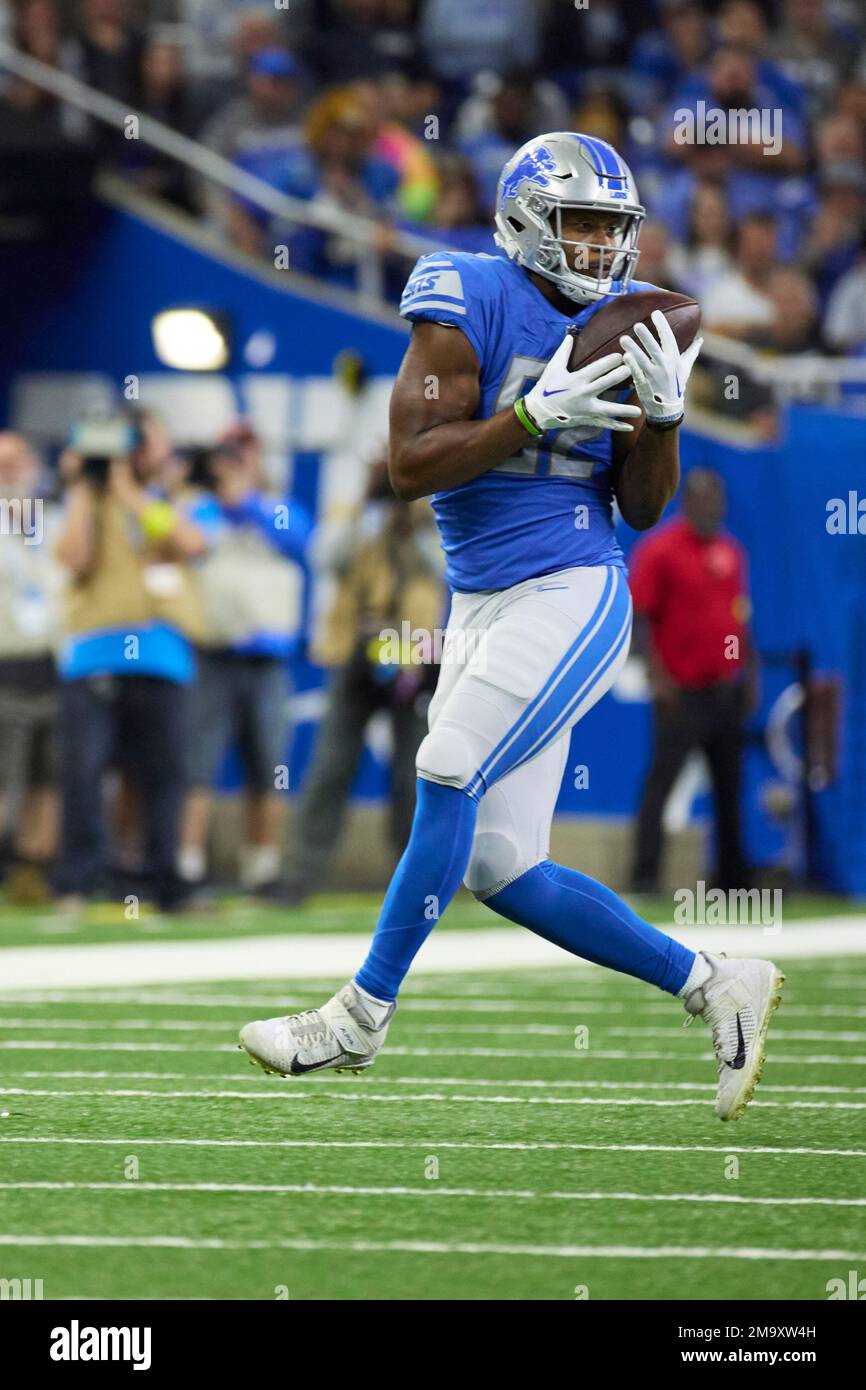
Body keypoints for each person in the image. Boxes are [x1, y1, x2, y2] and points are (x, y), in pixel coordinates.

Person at [239, 131, 784, 1123]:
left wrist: (660, 419)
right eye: (579, 223)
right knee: (498, 863)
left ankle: (360, 1013)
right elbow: (409, 464)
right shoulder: (464, 294)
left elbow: (642, 506)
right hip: (482, 597)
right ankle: (713, 979)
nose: (595, 248)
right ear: (528, 215)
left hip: (572, 584)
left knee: (445, 762)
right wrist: (527, 418)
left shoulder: (630, 322)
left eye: (610, 229)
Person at [53, 409, 209, 911]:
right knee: (85, 770)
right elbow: (74, 559)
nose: (144, 452)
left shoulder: (166, 501)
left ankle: (164, 881)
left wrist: (127, 493)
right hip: (93, 654)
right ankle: (80, 878)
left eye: (148, 442)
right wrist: (82, 488)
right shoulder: (84, 502)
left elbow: (192, 543)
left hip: (160, 656)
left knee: (165, 774)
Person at [278, 458, 444, 904]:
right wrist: (369, 508)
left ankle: (415, 882)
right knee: (331, 766)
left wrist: (414, 518)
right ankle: (298, 875)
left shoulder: (437, 514)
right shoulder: (355, 514)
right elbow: (329, 559)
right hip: (358, 645)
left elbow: (445, 571)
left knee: (414, 772)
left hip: (413, 649)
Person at [178, 427, 312, 895]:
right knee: (197, 766)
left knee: (269, 766)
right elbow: (188, 542)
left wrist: (246, 499)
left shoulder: (277, 509)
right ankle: (188, 865)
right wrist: (219, 500)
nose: (232, 466)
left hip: (267, 660)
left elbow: (298, 539)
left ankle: (262, 868)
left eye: (241, 457)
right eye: (225, 458)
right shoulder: (199, 509)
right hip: (213, 655)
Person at [630, 469, 758, 895]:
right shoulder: (661, 549)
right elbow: (642, 616)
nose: (712, 508)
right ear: (688, 501)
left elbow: (740, 618)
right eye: (704, 500)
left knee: (729, 787)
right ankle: (645, 877)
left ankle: (732, 881)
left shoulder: (730, 550)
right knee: (661, 783)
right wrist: (658, 677)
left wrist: (749, 675)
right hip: (680, 691)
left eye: (717, 501)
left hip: (724, 688)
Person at [0, 431, 62, 901]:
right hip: (6, 662)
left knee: (47, 776)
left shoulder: (50, 520)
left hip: (53, 662)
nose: (10, 471)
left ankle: (33, 867)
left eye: (17, 462)